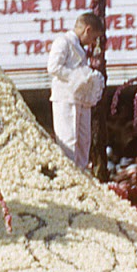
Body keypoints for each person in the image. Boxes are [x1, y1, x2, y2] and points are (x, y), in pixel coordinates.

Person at [47, 12, 105, 170]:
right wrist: (77, 77)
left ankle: (83, 174)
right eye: (93, 38)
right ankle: (70, 178)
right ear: (87, 30)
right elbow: (53, 67)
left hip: (80, 99)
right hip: (65, 99)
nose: (93, 43)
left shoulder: (79, 47)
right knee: (69, 141)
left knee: (83, 141)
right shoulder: (63, 42)